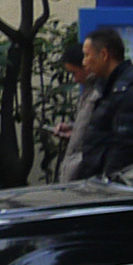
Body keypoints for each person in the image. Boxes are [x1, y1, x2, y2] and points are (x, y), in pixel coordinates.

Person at [72, 26, 133, 180]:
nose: (84, 62)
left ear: (104, 55)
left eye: (87, 55)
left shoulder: (130, 91)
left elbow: (128, 148)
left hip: (112, 186)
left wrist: (109, 184)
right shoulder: (108, 86)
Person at [54, 36, 102, 184]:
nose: (75, 79)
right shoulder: (89, 89)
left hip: (86, 172)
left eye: (75, 73)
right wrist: (74, 130)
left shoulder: (100, 90)